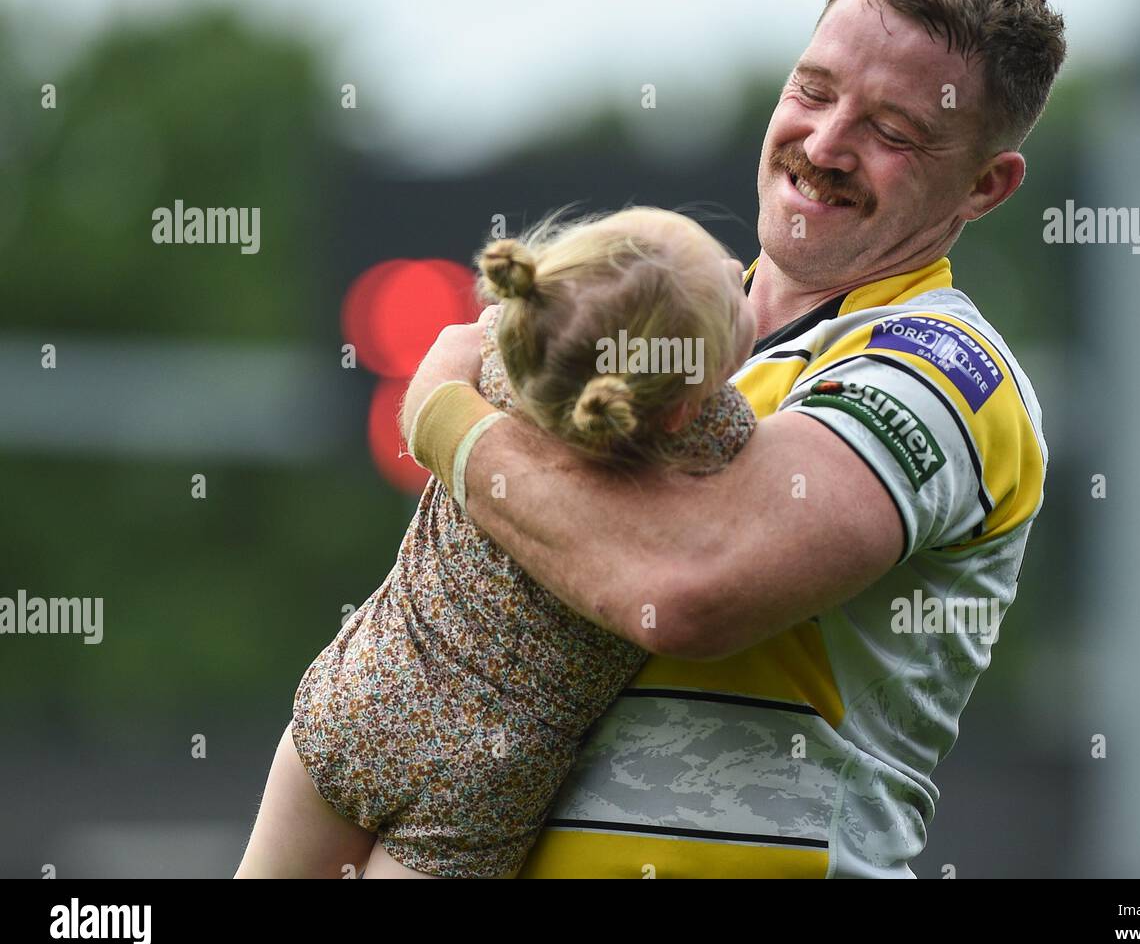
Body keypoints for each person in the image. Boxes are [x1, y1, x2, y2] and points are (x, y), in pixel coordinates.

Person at [405, 0, 1065, 878]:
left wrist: (445, 415)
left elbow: (688, 589)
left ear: (986, 186)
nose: (826, 143)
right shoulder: (661, 331)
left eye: (891, 131)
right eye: (814, 89)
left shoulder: (942, 367)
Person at [236, 208, 758, 877]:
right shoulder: (715, 436)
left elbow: (451, 356)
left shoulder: (507, 356)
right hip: (481, 783)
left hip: (362, 693)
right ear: (683, 403)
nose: (733, 271)